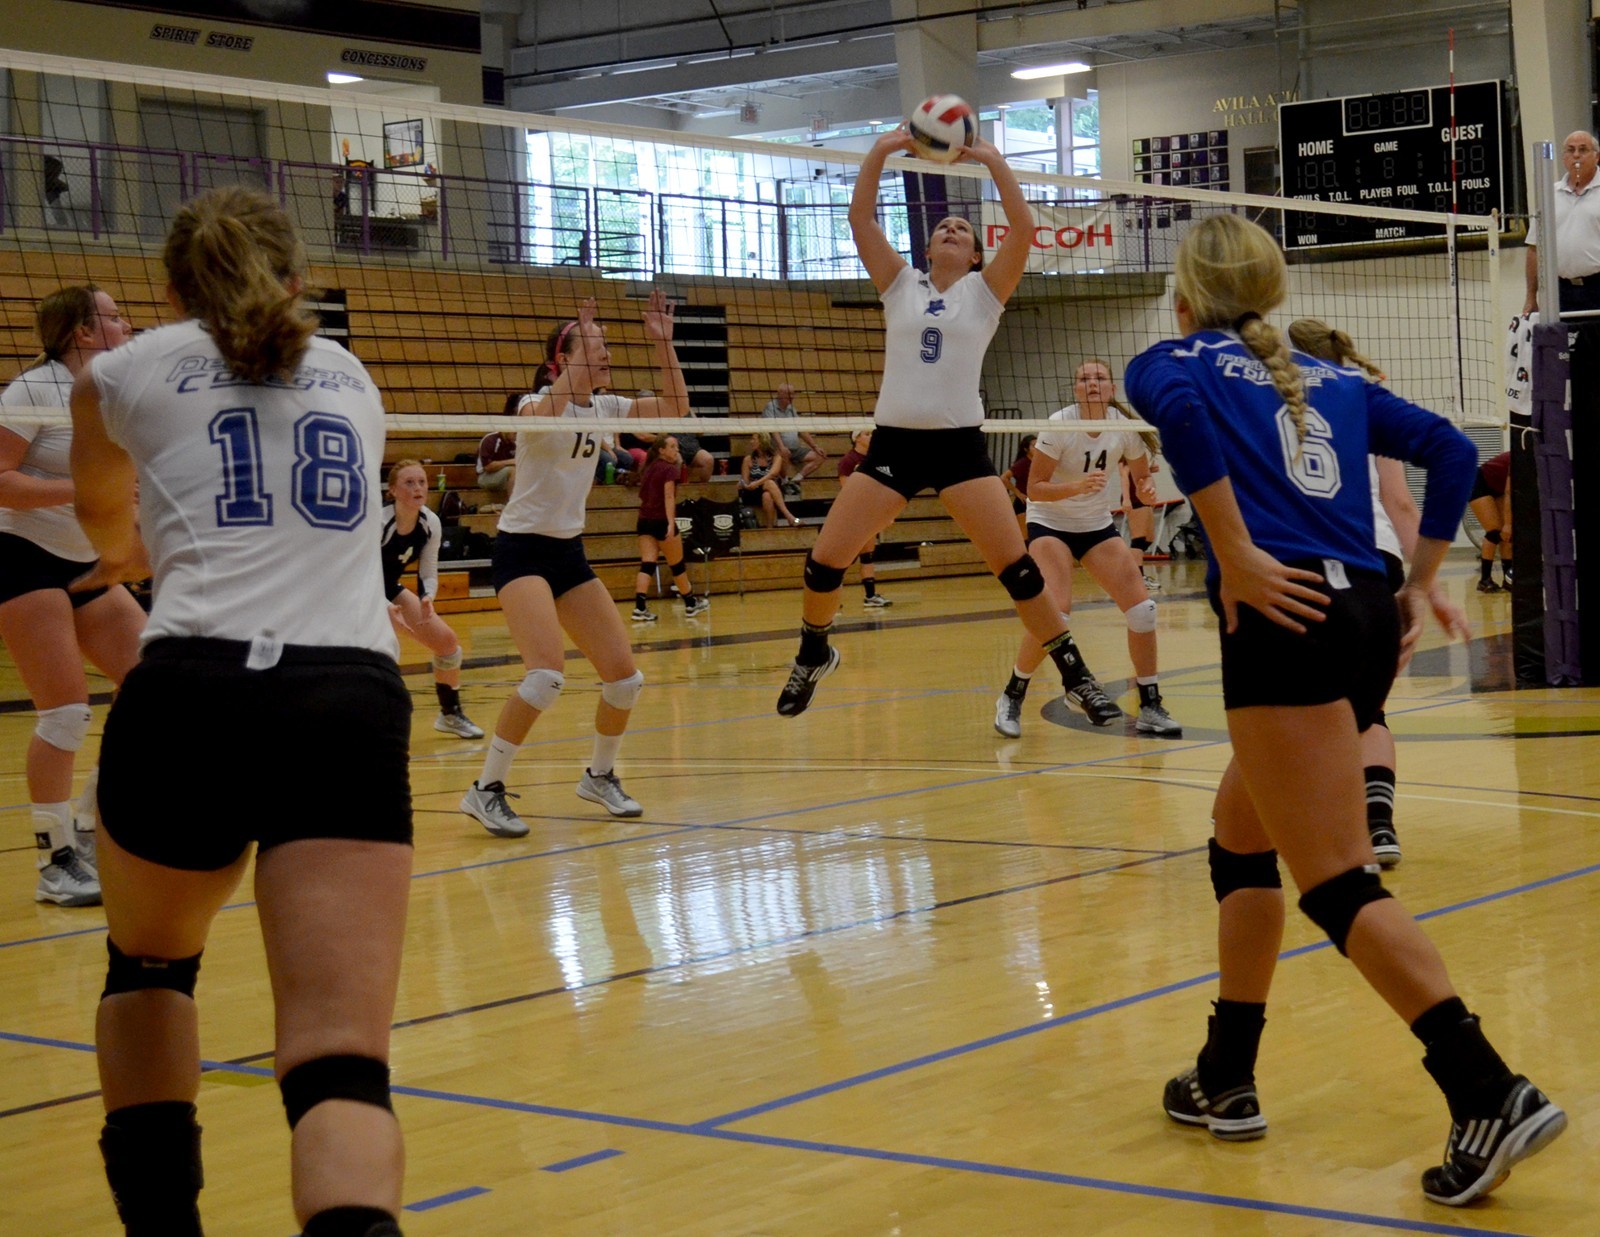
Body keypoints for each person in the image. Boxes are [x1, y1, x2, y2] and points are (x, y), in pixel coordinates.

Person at [1125, 213, 1564, 1206]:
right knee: (1241, 836)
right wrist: (1417, 581)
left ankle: (1487, 1088)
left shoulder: (1172, 359)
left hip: (1282, 610)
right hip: (1360, 604)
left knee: (1331, 879)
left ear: (1186, 295)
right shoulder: (1331, 377)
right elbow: (1453, 452)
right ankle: (1224, 1072)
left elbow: (1186, 426)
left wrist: (1232, 551)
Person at [70, 186, 414, 1237]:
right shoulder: (352, 375)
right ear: (297, 279)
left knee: (150, 966)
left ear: (170, 290)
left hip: (189, 690)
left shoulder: (116, 373)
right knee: (338, 1060)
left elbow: (106, 538)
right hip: (341, 698)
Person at [775, 127, 1119, 723]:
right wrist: (883, 150)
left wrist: (991, 161)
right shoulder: (900, 286)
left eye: (963, 229)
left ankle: (1076, 677)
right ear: (929, 250)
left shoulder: (986, 295)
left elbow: (1026, 229)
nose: (952, 230)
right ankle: (813, 652)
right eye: (942, 229)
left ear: (977, 253)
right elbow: (860, 221)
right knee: (824, 562)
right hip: (894, 446)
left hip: (959, 448)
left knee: (1017, 570)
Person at [460, 291, 688, 836]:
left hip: (568, 553)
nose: (607, 353)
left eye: (607, 344)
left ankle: (599, 775)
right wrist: (574, 359)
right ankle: (484, 789)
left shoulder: (606, 408)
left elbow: (675, 408)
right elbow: (544, 415)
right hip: (520, 553)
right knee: (544, 677)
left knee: (625, 680)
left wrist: (664, 345)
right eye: (595, 345)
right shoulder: (532, 405)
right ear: (561, 361)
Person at [1286, 317, 1464, 868]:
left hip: (1298, 561)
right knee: (1368, 712)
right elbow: (1400, 503)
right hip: (1374, 564)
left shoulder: (1265, 400)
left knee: (1296, 711)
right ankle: (1377, 827)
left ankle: (1316, 836)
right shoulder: (1362, 400)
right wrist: (1426, 587)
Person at [0, 284, 143, 907]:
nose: (126, 323)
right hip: (21, 555)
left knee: (154, 686)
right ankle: (54, 858)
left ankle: (88, 821)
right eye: (114, 317)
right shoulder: (34, 390)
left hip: (86, 559)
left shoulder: (114, 393)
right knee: (65, 711)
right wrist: (81, 492)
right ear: (83, 333)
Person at [994, 359, 1181, 739]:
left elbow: (1143, 482)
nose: (1092, 383)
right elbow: (1036, 489)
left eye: (1099, 378)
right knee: (1056, 613)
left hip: (1095, 526)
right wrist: (1075, 488)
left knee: (1143, 611)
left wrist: (1145, 491)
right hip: (1049, 522)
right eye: (1084, 379)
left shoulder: (1124, 429)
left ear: (1111, 388)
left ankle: (1150, 705)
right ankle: (1012, 694)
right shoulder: (1059, 425)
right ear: (1076, 389)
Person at [381, 460, 485, 739]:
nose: (418, 488)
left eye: (422, 482)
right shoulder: (378, 522)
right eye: (409, 483)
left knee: (447, 643)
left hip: (388, 589)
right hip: (354, 591)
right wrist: (384, 607)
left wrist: (428, 598)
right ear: (392, 490)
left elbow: (428, 571)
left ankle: (450, 715)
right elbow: (358, 573)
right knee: (380, 653)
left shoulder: (430, 522)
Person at [1524, 131, 1600, 316]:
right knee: (1561, 344)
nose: (1576, 155)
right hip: (1560, 291)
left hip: (1597, 287)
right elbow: (1535, 248)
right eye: (1570, 150)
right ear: (1563, 158)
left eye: (1583, 150)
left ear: (1596, 156)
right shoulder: (1549, 194)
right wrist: (1531, 296)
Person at [633, 434, 707, 620]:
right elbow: (669, 497)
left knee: (648, 564)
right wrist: (669, 523)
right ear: (661, 450)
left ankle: (640, 607)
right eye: (672, 447)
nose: (677, 450)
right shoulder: (669, 469)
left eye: (677, 447)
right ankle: (690, 603)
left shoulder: (648, 468)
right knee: (677, 565)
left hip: (644, 521)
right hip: (661, 521)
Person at [836, 428, 890, 607]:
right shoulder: (848, 461)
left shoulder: (875, 458)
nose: (871, 436)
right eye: (867, 434)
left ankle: (870, 596)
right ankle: (833, 597)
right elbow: (848, 491)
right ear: (857, 438)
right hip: (853, 515)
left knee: (867, 556)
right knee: (844, 559)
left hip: (870, 514)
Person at [761, 383, 827, 482]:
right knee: (784, 452)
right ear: (780, 394)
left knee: (820, 455)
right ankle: (784, 482)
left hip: (794, 449)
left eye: (793, 394)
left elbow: (800, 429)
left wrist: (815, 446)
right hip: (776, 448)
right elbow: (773, 429)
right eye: (789, 394)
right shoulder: (770, 407)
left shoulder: (791, 408)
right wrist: (781, 446)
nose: (792, 397)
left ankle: (796, 480)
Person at [1467, 449, 1511, 592]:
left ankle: (1508, 578)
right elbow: (1509, 492)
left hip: (1498, 487)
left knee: (1508, 535)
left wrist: (1509, 525)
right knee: (1494, 531)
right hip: (1478, 482)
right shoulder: (1518, 458)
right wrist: (1508, 524)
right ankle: (1484, 580)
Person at [739, 433, 800, 528]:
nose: (751, 442)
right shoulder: (748, 459)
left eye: (754, 439)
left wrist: (758, 482)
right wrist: (745, 484)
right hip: (753, 492)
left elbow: (773, 473)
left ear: (762, 442)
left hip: (772, 491)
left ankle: (770, 528)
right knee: (769, 483)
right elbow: (745, 481)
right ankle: (790, 518)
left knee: (767, 495)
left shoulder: (776, 457)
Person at [1000, 434, 1034, 538]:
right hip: (1023, 503)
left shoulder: (1038, 462)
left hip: (1036, 503)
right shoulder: (1022, 463)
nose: (1037, 448)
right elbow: (1003, 478)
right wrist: (1018, 493)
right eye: (1034, 446)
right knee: (1025, 538)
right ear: (1026, 449)